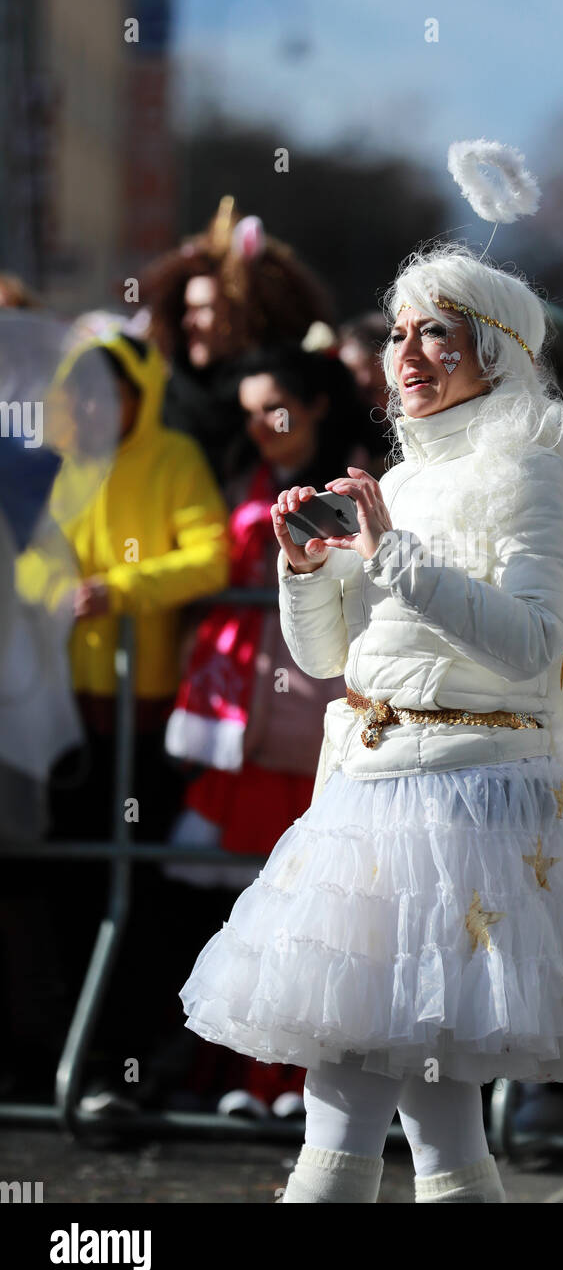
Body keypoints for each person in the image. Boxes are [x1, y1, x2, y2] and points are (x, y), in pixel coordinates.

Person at [179, 242, 563, 1203]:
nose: (409, 353)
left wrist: (393, 558)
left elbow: (530, 645)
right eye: (399, 332)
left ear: (498, 349)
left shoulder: (535, 470)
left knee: (349, 1092)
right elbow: (328, 658)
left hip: (468, 802)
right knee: (432, 1115)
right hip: (367, 790)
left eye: (438, 332)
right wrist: (305, 569)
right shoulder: (394, 483)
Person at [158, 344, 385, 1116]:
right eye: (250, 411)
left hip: (328, 726)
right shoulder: (246, 476)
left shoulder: (359, 483)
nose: (262, 425)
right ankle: (239, 1079)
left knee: (319, 915)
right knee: (249, 916)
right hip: (253, 728)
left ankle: (303, 1086)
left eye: (276, 408)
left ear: (318, 402)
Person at [16, 329, 230, 1105]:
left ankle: (140, 1060)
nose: (93, 407)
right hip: (64, 709)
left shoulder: (174, 458)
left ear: (137, 396)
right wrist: (52, 593)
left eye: (109, 393)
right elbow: (30, 559)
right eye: (82, 393)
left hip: (144, 710)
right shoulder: (57, 466)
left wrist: (123, 590)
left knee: (139, 887)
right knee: (74, 887)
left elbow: (209, 556)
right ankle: (83, 1057)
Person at [140, 197, 333, 491]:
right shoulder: (165, 397)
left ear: (238, 312)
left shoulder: (290, 388)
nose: (188, 322)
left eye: (203, 309)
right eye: (186, 309)